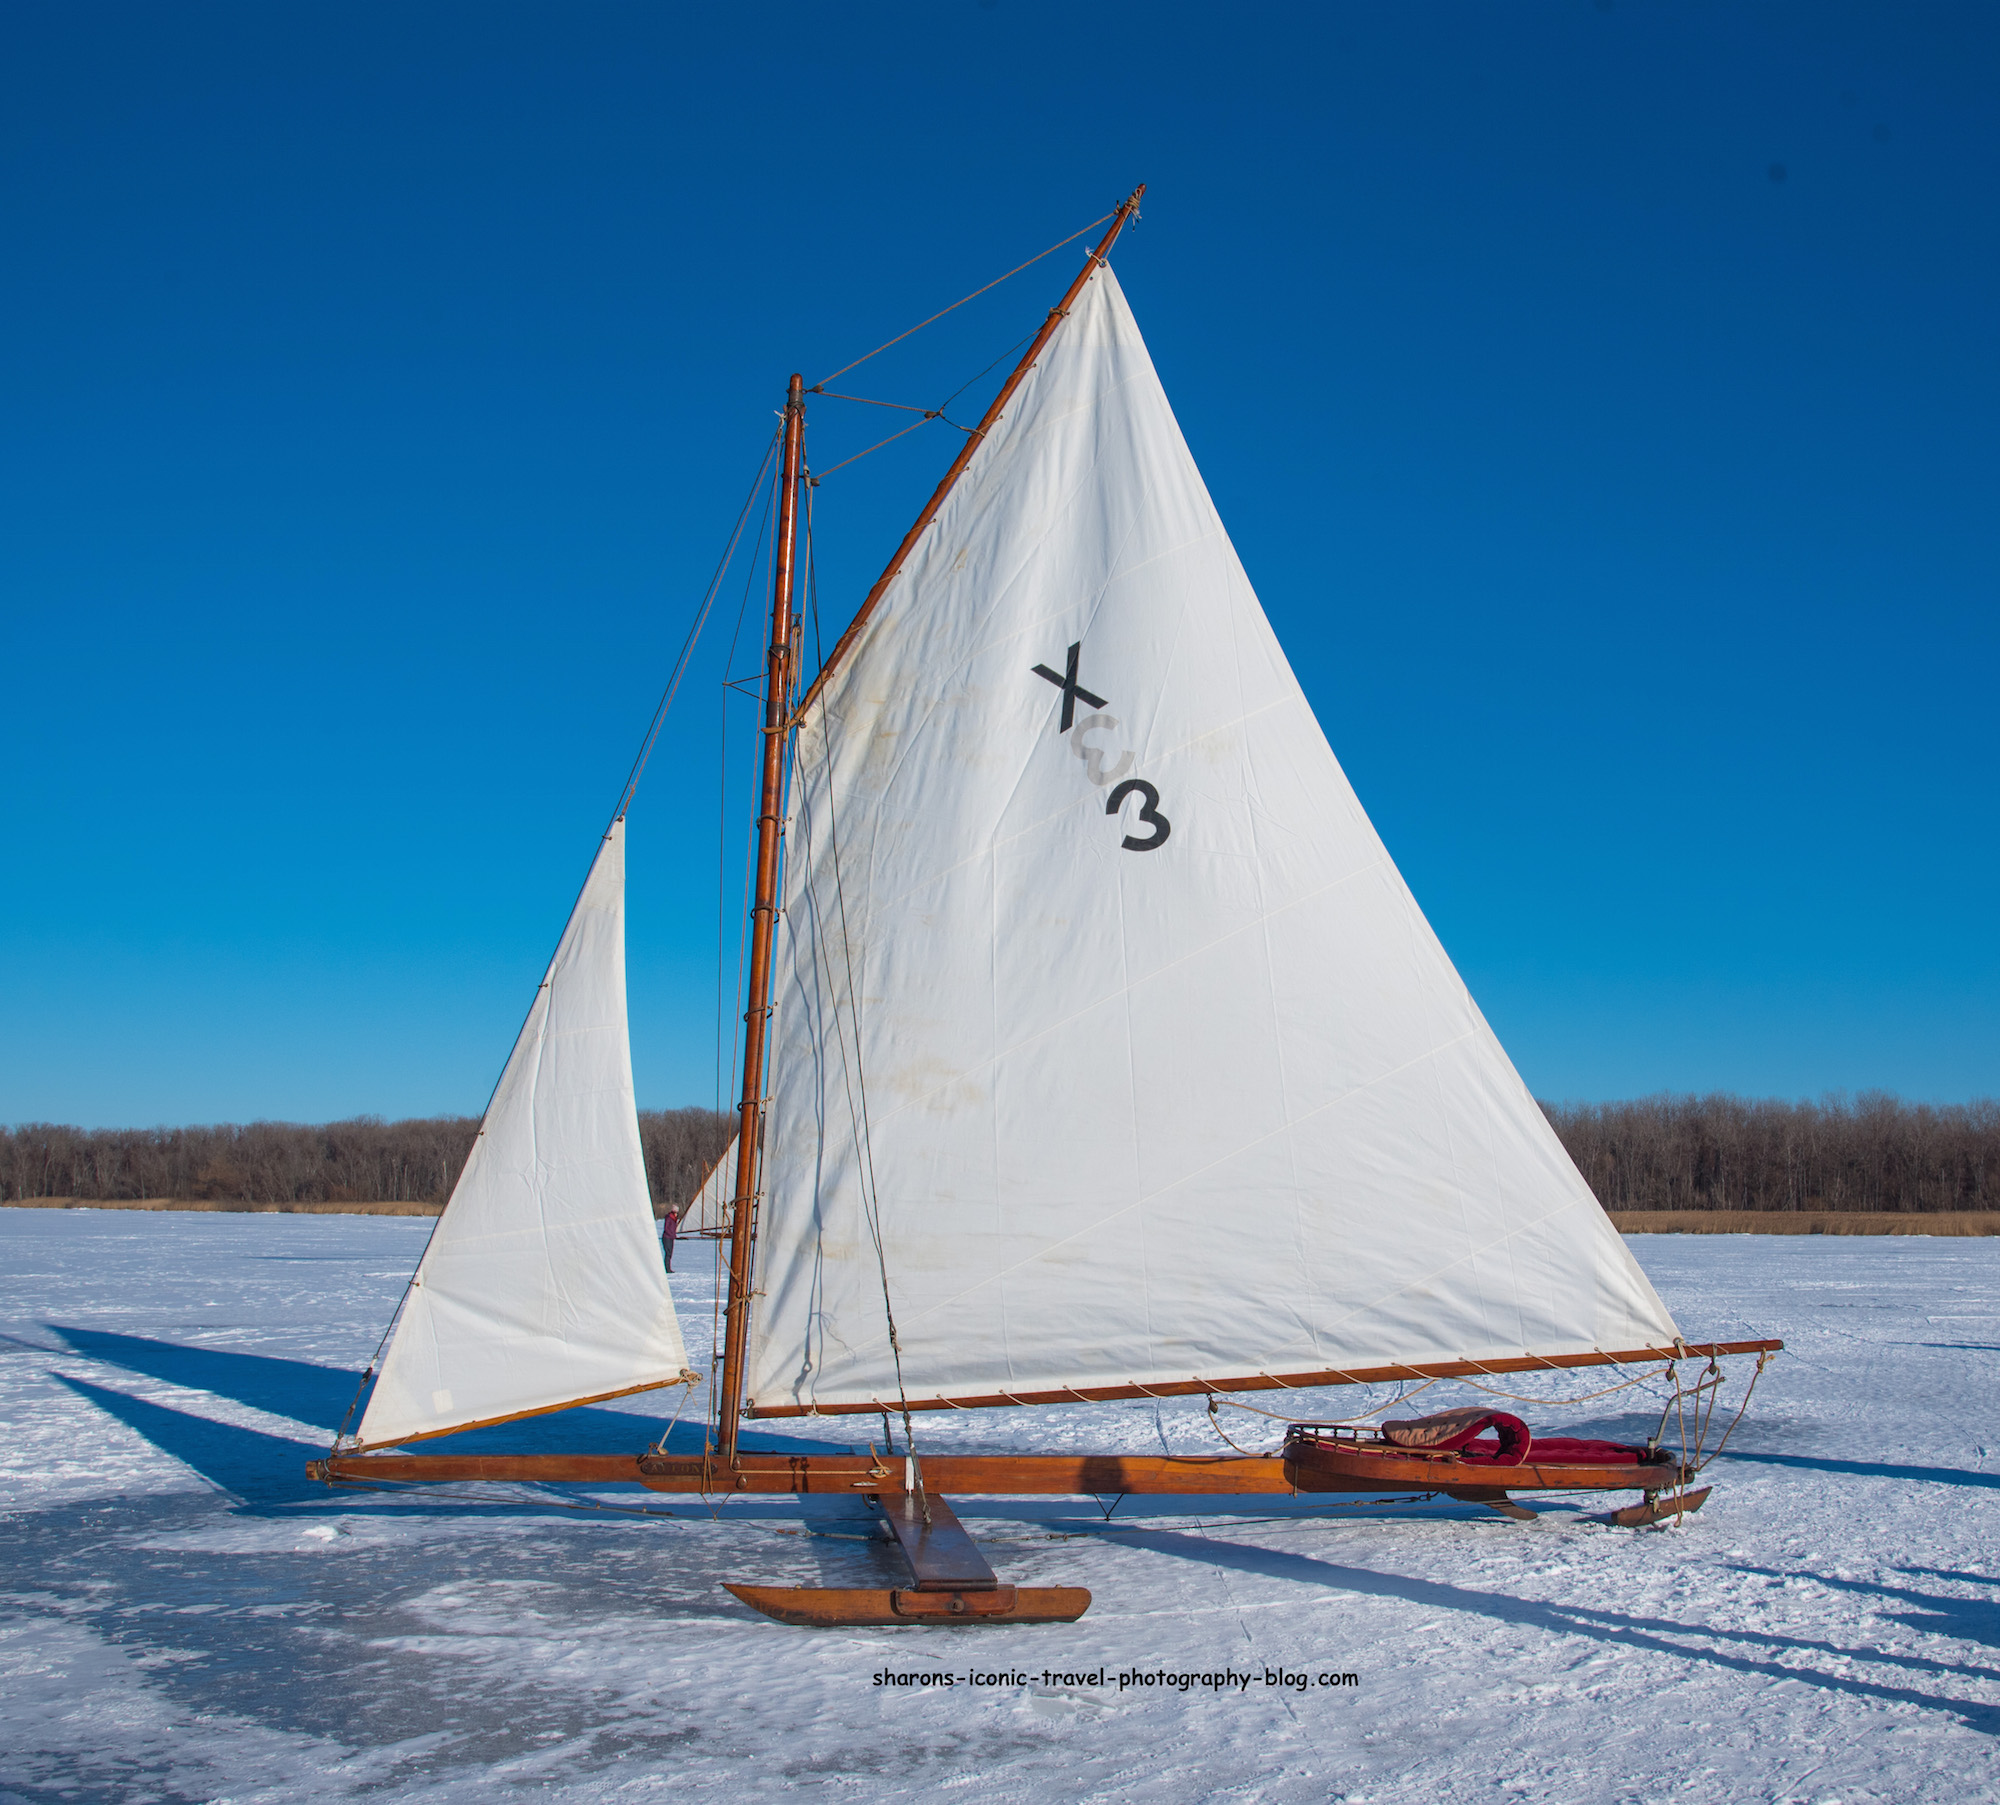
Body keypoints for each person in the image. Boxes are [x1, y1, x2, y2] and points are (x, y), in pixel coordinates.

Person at [660, 1206, 680, 1274]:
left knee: (670, 1253)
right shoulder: (669, 1218)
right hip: (667, 1237)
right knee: (668, 1253)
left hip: (671, 1237)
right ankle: (667, 1269)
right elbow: (667, 1228)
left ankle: (668, 1268)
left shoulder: (674, 1219)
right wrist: (671, 1234)